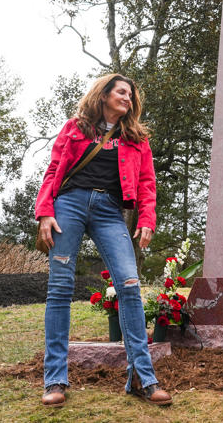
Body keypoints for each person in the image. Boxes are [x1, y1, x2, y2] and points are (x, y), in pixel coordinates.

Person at [35, 73, 172, 407]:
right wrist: (45, 212)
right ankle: (55, 379)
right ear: (104, 94)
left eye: (131, 95)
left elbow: (147, 181)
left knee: (129, 286)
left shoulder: (136, 138)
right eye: (121, 92)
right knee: (60, 288)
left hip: (110, 210)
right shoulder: (75, 128)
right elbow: (54, 169)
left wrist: (147, 218)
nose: (127, 98)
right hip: (69, 204)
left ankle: (142, 377)